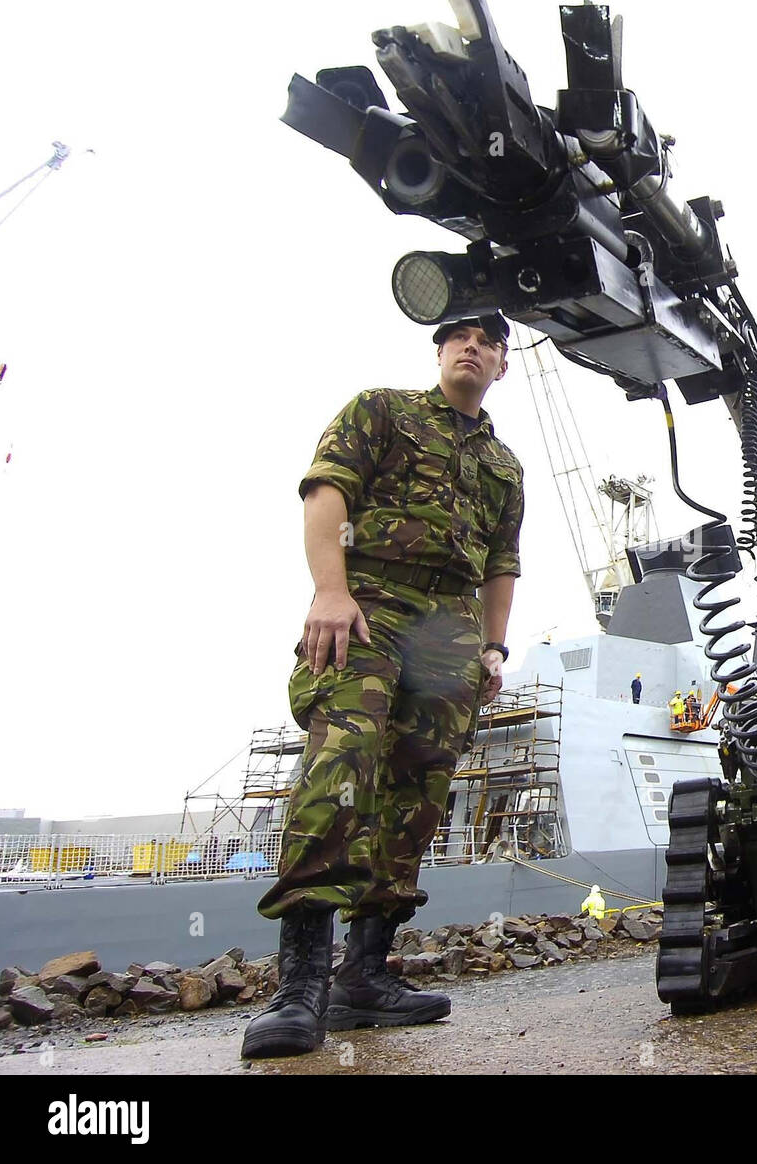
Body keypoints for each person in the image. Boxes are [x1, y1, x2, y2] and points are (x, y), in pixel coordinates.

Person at [241, 313, 524, 1059]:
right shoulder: (381, 409)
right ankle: (300, 986)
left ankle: (364, 973)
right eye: (460, 335)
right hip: (367, 606)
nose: (473, 345)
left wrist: (493, 646)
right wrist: (329, 592)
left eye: (489, 341)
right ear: (438, 352)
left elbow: (501, 562)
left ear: (502, 365)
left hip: (452, 633)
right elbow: (326, 493)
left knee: (419, 792)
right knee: (342, 764)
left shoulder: (505, 465)